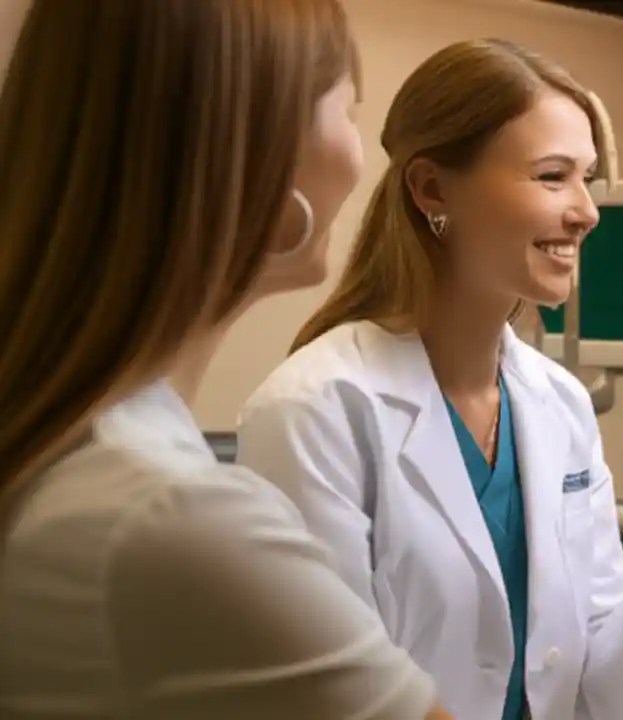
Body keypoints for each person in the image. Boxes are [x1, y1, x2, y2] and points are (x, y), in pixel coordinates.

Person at [234, 38, 623, 720]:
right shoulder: (315, 411)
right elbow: (326, 698)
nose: (587, 210)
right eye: (552, 176)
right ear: (432, 188)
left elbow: (601, 697)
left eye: (587, 177)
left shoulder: (561, 406)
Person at [0, 2, 451, 718]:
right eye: (349, 111)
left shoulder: (85, 455)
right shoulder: (169, 517)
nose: (584, 210)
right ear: (260, 156)